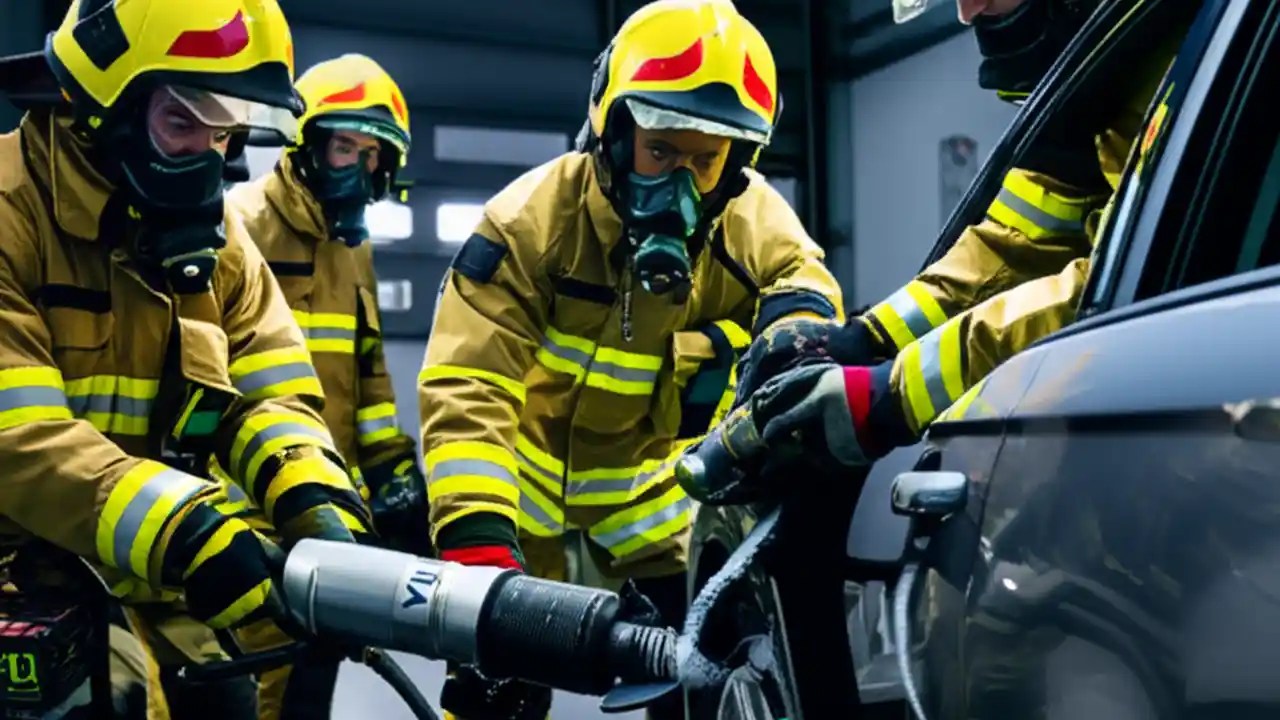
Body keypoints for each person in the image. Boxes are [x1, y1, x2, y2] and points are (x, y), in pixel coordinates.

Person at [417, 1, 845, 716]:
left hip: (660, 529)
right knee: (494, 702)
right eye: (659, 152)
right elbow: (470, 386)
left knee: (695, 687)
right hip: (523, 528)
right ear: (612, 133)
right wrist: (476, 545)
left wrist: (783, 338)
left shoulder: (749, 218)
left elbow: (804, 289)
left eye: (705, 162)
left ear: (736, 164)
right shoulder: (528, 225)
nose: (679, 185)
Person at [0, 1, 372, 717]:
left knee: (266, 665)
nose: (209, 155)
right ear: (102, 106)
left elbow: (273, 392)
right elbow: (19, 438)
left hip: (143, 566)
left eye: (227, 130)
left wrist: (313, 501)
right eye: (183, 121)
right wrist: (189, 532)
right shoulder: (11, 208)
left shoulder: (218, 237)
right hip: (19, 566)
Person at [729, 0, 1195, 457]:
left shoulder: (1195, 75)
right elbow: (1013, 248)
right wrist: (867, 337)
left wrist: (894, 393)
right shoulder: (1108, 88)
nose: (968, 12)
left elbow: (1123, 292)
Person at [224, 52, 427, 720]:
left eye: (372, 154)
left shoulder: (351, 248)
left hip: (326, 511)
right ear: (304, 142)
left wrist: (394, 473)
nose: (359, 168)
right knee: (242, 686)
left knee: (310, 682)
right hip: (241, 511)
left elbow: (367, 375)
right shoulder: (236, 225)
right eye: (345, 145)